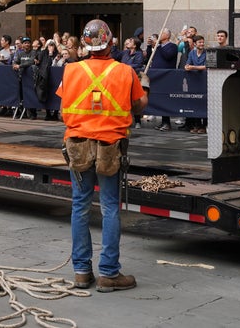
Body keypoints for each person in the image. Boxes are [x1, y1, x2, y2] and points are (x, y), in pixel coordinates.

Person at [58, 19, 147, 293]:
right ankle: (108, 273)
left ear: (85, 44)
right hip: (110, 146)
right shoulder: (125, 71)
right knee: (109, 207)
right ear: (110, 43)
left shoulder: (71, 71)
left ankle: (81, 272)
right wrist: (144, 85)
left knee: (80, 206)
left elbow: (62, 111)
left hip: (78, 145)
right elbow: (139, 106)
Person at [149, 29, 179, 131]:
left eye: (162, 33)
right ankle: (163, 121)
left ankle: (167, 123)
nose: (159, 35)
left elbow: (167, 56)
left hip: (166, 76)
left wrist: (158, 46)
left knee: (165, 99)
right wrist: (150, 46)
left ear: (167, 36)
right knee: (160, 98)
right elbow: (149, 57)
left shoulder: (172, 46)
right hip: (157, 75)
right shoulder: (159, 47)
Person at [183, 35, 208, 133]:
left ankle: (204, 126)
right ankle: (197, 125)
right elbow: (188, 63)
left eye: (202, 42)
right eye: (199, 42)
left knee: (204, 103)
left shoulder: (207, 53)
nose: (202, 44)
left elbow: (207, 66)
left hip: (205, 80)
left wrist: (193, 67)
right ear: (194, 44)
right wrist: (187, 67)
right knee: (196, 102)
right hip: (194, 81)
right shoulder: (191, 53)